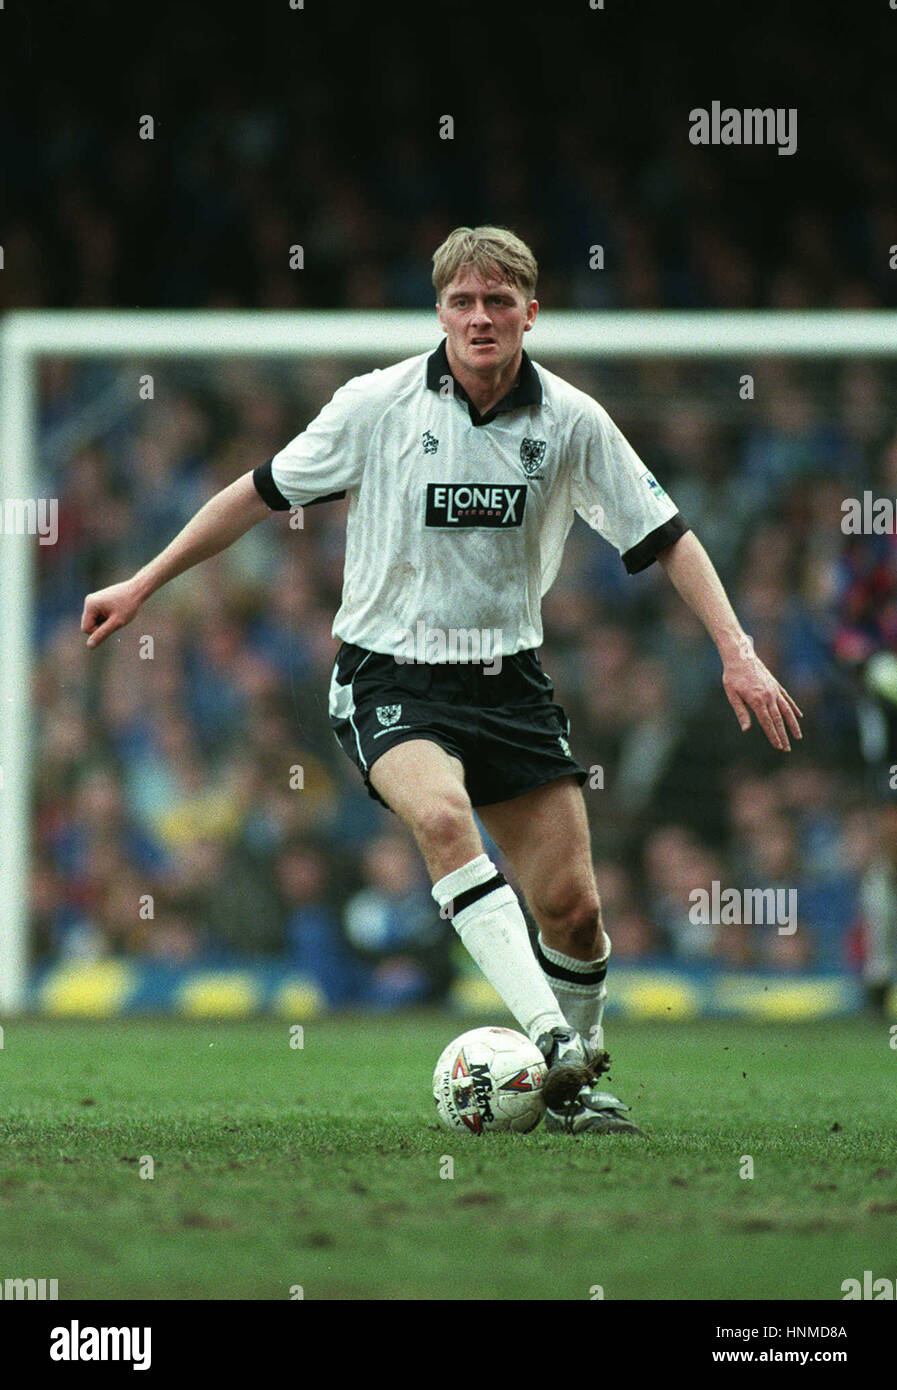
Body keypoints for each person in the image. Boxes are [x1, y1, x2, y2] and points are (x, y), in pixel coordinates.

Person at [81, 225, 803, 1134]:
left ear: (530, 313)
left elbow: (668, 536)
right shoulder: (375, 404)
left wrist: (736, 648)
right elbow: (255, 493)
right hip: (389, 675)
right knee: (438, 817)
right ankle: (551, 1044)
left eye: (499, 301)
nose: (480, 317)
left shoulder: (573, 421)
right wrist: (144, 582)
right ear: (440, 313)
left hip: (509, 687)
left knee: (574, 914)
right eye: (462, 301)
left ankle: (577, 1078)